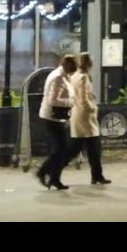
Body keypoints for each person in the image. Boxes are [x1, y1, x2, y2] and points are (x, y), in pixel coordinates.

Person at [60, 52, 111, 186]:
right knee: (86, 148)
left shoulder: (76, 76)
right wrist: (92, 108)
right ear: (88, 63)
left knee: (91, 148)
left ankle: (97, 175)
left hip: (79, 116)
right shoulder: (82, 77)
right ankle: (53, 169)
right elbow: (83, 99)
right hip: (85, 117)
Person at [35, 53, 78, 190]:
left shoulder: (62, 75)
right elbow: (53, 100)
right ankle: (43, 172)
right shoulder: (58, 78)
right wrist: (70, 102)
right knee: (61, 148)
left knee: (61, 148)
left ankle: (54, 178)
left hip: (55, 116)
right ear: (68, 65)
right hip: (51, 116)